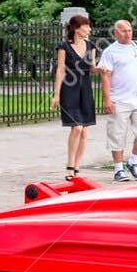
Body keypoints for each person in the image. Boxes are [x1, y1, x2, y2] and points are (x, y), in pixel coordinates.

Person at [98, 18, 137, 181]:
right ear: (115, 33)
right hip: (118, 100)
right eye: (123, 31)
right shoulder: (110, 52)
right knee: (117, 135)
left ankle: (133, 162)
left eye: (130, 30)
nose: (128, 33)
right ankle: (118, 169)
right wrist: (107, 100)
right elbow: (105, 77)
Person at [51, 13, 97, 180]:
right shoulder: (64, 46)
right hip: (69, 90)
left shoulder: (91, 45)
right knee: (76, 127)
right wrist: (56, 95)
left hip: (85, 89)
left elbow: (93, 69)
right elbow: (60, 70)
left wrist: (101, 69)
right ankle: (70, 166)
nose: (89, 29)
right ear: (77, 29)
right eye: (86, 26)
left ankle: (77, 167)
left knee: (84, 131)